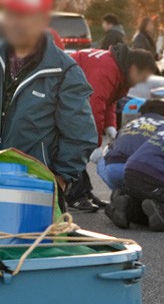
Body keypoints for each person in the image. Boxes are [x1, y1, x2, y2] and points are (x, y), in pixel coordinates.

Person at [0, 0, 95, 206]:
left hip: (32, 188)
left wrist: (59, 180)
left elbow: (80, 134)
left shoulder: (64, 71)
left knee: (27, 242)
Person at [65, 44, 158, 211]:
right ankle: (75, 195)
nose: (142, 81)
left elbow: (109, 101)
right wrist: (94, 143)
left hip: (72, 97)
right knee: (76, 146)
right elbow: (94, 105)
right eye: (143, 76)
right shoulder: (108, 68)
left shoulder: (120, 72)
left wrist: (110, 126)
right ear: (135, 68)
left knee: (78, 147)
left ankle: (83, 191)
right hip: (62, 95)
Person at [97, 98, 164, 191]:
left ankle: (120, 193)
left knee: (101, 162)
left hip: (115, 169)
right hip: (142, 173)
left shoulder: (130, 124)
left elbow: (111, 147)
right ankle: (144, 197)